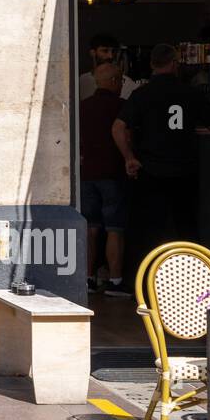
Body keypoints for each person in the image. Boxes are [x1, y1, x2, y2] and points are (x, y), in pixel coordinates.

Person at [112, 43, 210, 251]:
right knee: (186, 226)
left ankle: (149, 274)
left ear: (152, 64)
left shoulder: (141, 94)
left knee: (151, 229)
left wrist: (129, 157)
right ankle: (192, 272)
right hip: (184, 170)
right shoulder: (190, 93)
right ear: (174, 64)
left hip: (150, 171)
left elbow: (118, 128)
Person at [80, 63, 128, 296]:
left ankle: (88, 277)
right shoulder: (121, 107)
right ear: (114, 81)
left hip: (86, 173)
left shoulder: (83, 107)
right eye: (120, 81)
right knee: (114, 228)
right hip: (112, 173)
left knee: (90, 227)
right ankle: (116, 281)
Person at [79, 33, 138, 101]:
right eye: (105, 51)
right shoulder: (82, 81)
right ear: (93, 52)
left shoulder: (127, 83)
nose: (111, 56)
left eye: (113, 51)